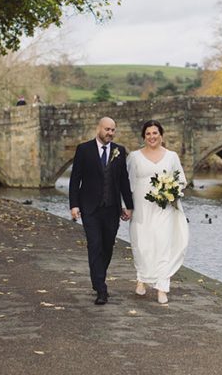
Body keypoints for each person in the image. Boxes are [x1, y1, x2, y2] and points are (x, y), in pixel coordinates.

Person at [69, 117, 134, 305]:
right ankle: (101, 288)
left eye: (113, 130)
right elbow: (75, 179)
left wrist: (128, 206)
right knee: (95, 245)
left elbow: (124, 180)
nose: (110, 133)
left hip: (112, 208)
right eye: (107, 129)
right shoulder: (84, 149)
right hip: (90, 208)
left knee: (107, 247)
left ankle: (98, 278)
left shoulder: (119, 151)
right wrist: (74, 205)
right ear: (98, 128)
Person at [126, 120, 189, 304]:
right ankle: (142, 278)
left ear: (161, 135)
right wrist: (126, 206)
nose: (152, 137)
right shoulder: (135, 157)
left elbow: (181, 180)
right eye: (148, 134)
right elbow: (127, 184)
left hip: (164, 207)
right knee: (142, 245)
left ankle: (162, 287)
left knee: (163, 245)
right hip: (141, 207)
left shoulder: (172, 157)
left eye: (155, 133)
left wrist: (170, 191)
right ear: (143, 137)